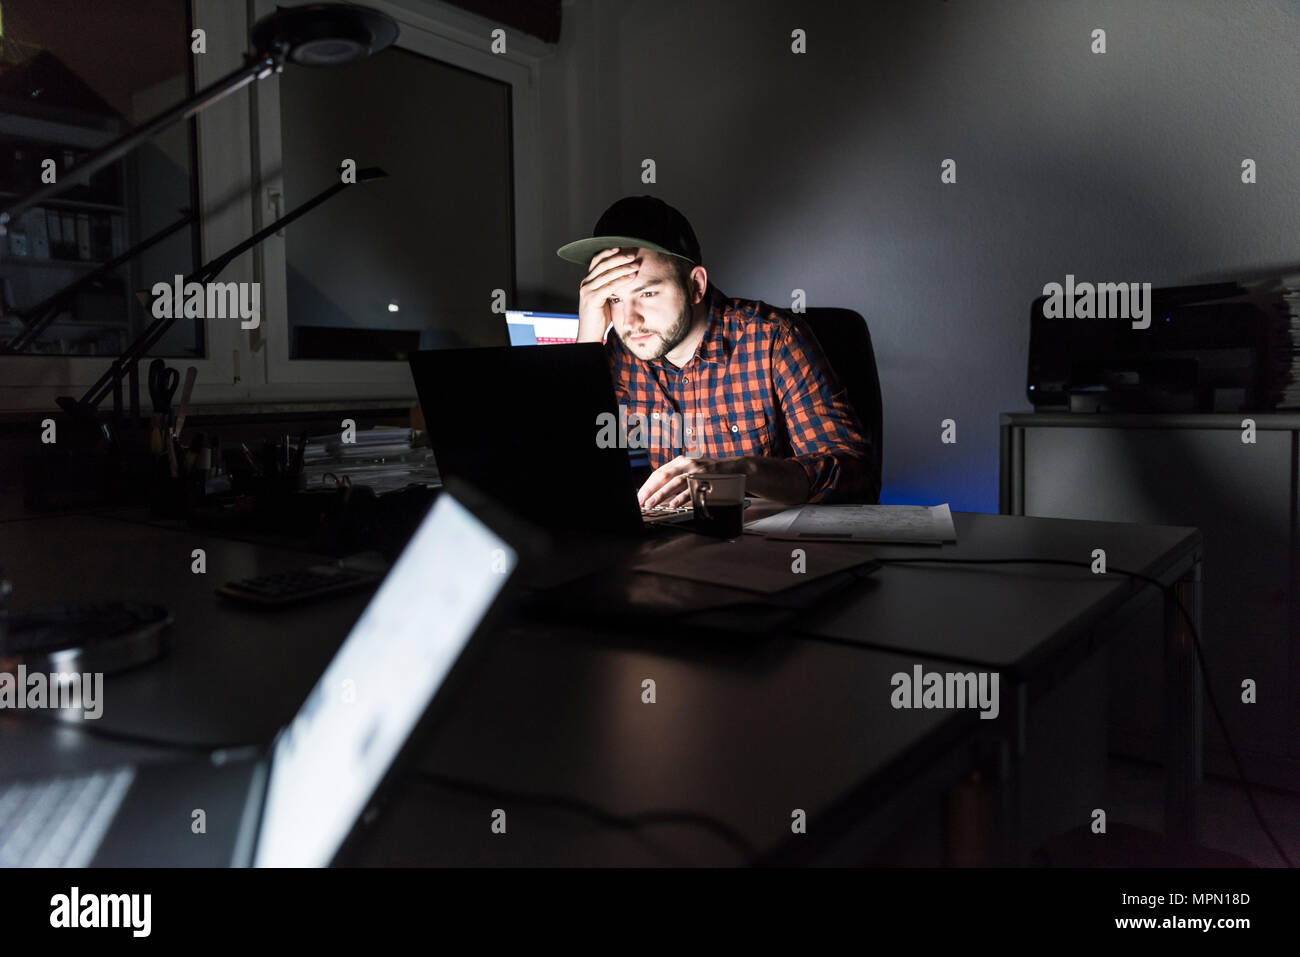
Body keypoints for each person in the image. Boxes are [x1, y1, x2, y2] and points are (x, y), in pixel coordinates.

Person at [556, 195, 878, 508]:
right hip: (674, 553)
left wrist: (738, 472)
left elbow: (855, 474)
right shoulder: (619, 357)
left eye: (648, 292)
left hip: (769, 554)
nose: (629, 321)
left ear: (696, 285)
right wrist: (587, 336)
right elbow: (564, 473)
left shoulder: (772, 340)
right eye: (614, 299)